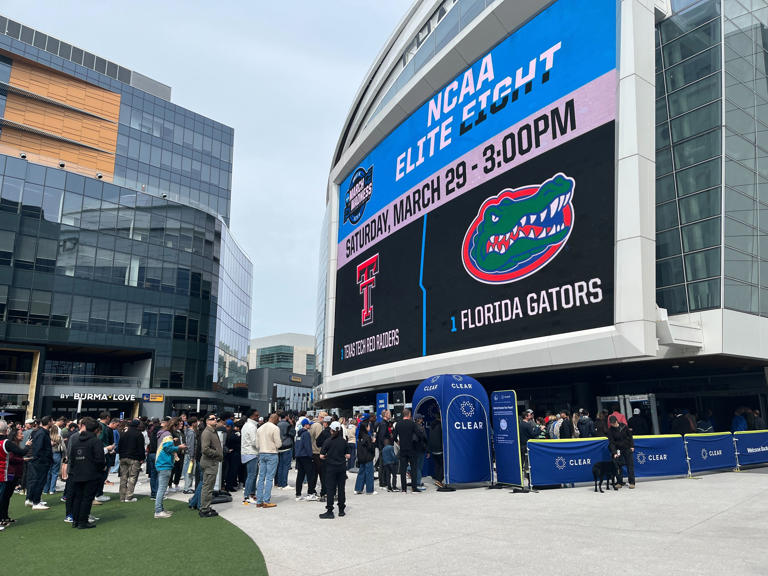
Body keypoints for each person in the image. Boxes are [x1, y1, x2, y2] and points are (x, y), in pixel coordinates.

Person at [67, 417, 106, 529]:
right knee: (87, 498)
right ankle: (82, 521)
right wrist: (101, 468)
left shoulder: (76, 440)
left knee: (78, 497)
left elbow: (72, 458)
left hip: (77, 472)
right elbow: (100, 459)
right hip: (91, 473)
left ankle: (76, 520)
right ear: (95, 430)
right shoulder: (96, 441)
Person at [154, 418, 186, 518]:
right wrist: (179, 447)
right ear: (174, 426)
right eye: (178, 425)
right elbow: (168, 448)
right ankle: (158, 511)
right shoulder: (167, 435)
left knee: (162, 488)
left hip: (161, 462)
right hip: (164, 463)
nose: (179, 427)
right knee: (162, 489)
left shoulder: (163, 433)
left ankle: (160, 509)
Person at [1, 421, 30, 528]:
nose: (22, 435)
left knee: (6, 496)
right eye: (20, 434)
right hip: (8, 473)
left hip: (12, 472)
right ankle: (2, 518)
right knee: (4, 496)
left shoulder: (11, 444)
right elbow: (13, 457)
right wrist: (23, 456)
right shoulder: (9, 444)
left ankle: (4, 517)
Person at [319, 421, 350, 519]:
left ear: (331, 430)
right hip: (341, 467)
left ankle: (330, 510)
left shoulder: (328, 441)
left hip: (330, 467)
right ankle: (341, 510)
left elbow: (321, 455)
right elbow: (348, 455)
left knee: (330, 489)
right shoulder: (344, 441)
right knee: (341, 488)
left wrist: (327, 457)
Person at [26, 415, 54, 510]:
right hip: (41, 462)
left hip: (40, 461)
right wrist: (41, 459)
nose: (53, 422)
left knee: (36, 480)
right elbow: (38, 448)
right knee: (39, 481)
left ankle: (32, 499)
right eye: (52, 420)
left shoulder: (42, 432)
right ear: (49, 422)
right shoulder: (42, 433)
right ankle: (36, 501)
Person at [255, 413, 281, 508]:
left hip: (262, 453)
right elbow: (278, 444)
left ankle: (259, 500)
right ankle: (266, 501)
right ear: (275, 419)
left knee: (261, 477)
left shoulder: (260, 428)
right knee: (269, 478)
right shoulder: (275, 428)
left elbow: (257, 445)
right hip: (272, 453)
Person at [199, 414, 223, 518]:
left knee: (208, 486)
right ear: (207, 421)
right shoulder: (207, 433)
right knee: (208, 487)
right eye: (212, 419)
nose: (215, 420)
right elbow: (205, 449)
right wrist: (217, 453)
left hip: (212, 462)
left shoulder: (212, 431)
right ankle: (204, 509)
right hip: (209, 463)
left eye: (215, 418)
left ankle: (206, 507)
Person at [392, 408, 420, 493]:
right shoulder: (412, 424)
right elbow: (418, 434)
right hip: (412, 449)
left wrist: (398, 442)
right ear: (409, 414)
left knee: (403, 470)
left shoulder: (398, 424)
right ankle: (414, 488)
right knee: (414, 468)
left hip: (403, 449)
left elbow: (393, 437)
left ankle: (404, 488)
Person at [117, 419, 145, 502]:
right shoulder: (139, 434)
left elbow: (119, 446)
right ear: (137, 426)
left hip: (123, 458)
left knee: (123, 477)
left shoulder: (123, 434)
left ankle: (122, 496)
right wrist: (142, 458)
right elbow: (141, 448)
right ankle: (128, 497)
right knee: (132, 477)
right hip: (134, 458)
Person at [606, 415, 635, 489]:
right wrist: (614, 452)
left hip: (627, 448)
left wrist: (632, 446)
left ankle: (632, 482)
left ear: (617, 421)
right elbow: (611, 443)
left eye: (614, 422)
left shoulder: (624, 426)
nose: (613, 424)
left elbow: (630, 436)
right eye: (612, 423)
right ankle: (619, 482)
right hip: (618, 450)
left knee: (630, 465)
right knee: (618, 466)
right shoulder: (610, 431)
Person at [294, 418, 317, 501]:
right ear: (306, 425)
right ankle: (310, 493)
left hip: (299, 456)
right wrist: (311, 456)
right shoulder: (306, 434)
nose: (310, 426)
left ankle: (298, 494)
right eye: (309, 424)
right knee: (310, 475)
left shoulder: (298, 433)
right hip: (306, 456)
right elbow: (308, 446)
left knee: (300, 475)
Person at [241, 409, 260, 505]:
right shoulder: (251, 426)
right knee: (251, 475)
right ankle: (247, 495)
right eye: (256, 415)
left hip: (248, 452)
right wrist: (262, 446)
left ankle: (251, 494)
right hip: (251, 453)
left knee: (252, 475)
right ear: (252, 416)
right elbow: (254, 441)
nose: (258, 417)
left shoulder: (247, 425)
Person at [353, 418, 376, 495]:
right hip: (368, 457)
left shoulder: (359, 436)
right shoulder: (367, 437)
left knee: (361, 473)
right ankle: (370, 490)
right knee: (369, 473)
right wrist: (373, 442)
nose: (369, 427)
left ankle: (358, 489)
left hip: (361, 457)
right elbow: (370, 448)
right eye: (368, 426)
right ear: (366, 427)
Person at [43, 423, 66, 495]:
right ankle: (52, 489)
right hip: (57, 454)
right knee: (55, 472)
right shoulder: (59, 437)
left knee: (48, 472)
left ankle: (46, 489)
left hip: (49, 454)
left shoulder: (48, 437)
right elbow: (64, 447)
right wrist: (65, 455)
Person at [276, 412, 294, 490]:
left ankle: (279, 483)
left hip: (279, 447)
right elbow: (293, 433)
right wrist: (291, 423)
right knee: (286, 466)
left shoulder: (277, 425)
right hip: (287, 446)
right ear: (286, 417)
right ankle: (284, 484)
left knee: (280, 466)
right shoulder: (288, 425)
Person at [374, 410, 393, 487]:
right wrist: (383, 448)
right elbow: (382, 437)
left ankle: (384, 481)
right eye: (389, 414)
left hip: (384, 447)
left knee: (384, 464)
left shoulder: (385, 423)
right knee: (382, 465)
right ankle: (382, 482)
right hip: (383, 448)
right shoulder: (383, 424)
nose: (391, 415)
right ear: (385, 415)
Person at [427, 412, 444, 488]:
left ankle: (437, 479)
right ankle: (439, 481)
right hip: (440, 448)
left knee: (437, 465)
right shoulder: (441, 426)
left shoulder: (432, 425)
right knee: (442, 465)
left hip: (433, 449)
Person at [182, 416, 197, 494]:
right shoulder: (191, 432)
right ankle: (187, 488)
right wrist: (192, 456)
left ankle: (187, 487)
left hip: (187, 453)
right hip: (190, 455)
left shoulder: (187, 431)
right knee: (189, 471)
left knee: (188, 471)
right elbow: (191, 445)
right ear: (194, 423)